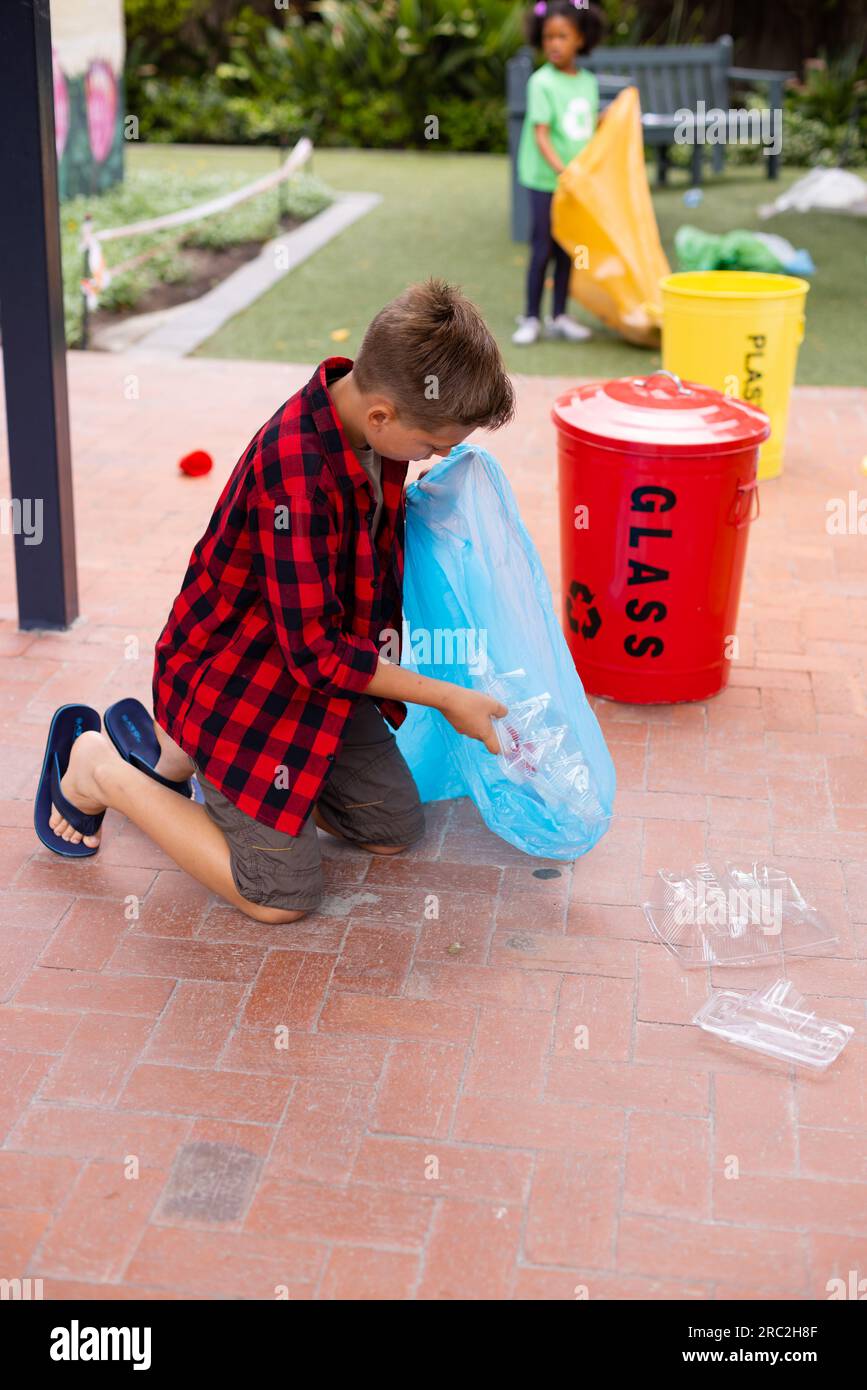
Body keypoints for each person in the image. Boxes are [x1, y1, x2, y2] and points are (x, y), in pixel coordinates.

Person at [37, 280, 515, 924]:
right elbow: (315, 654)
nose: (440, 456)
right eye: (435, 445)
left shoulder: (375, 424)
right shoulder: (297, 470)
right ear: (382, 416)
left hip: (312, 679)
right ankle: (101, 768)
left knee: (393, 827)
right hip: (239, 686)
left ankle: (197, 765)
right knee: (279, 897)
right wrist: (448, 696)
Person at [514, 0, 605, 346]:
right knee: (542, 248)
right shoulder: (541, 83)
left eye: (562, 37)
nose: (554, 44)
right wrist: (562, 171)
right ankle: (532, 317)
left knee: (568, 249)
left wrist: (608, 120)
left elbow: (584, 127)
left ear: (580, 39)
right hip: (544, 180)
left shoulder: (587, 83)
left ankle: (560, 316)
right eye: (549, 36)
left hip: (574, 184)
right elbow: (541, 134)